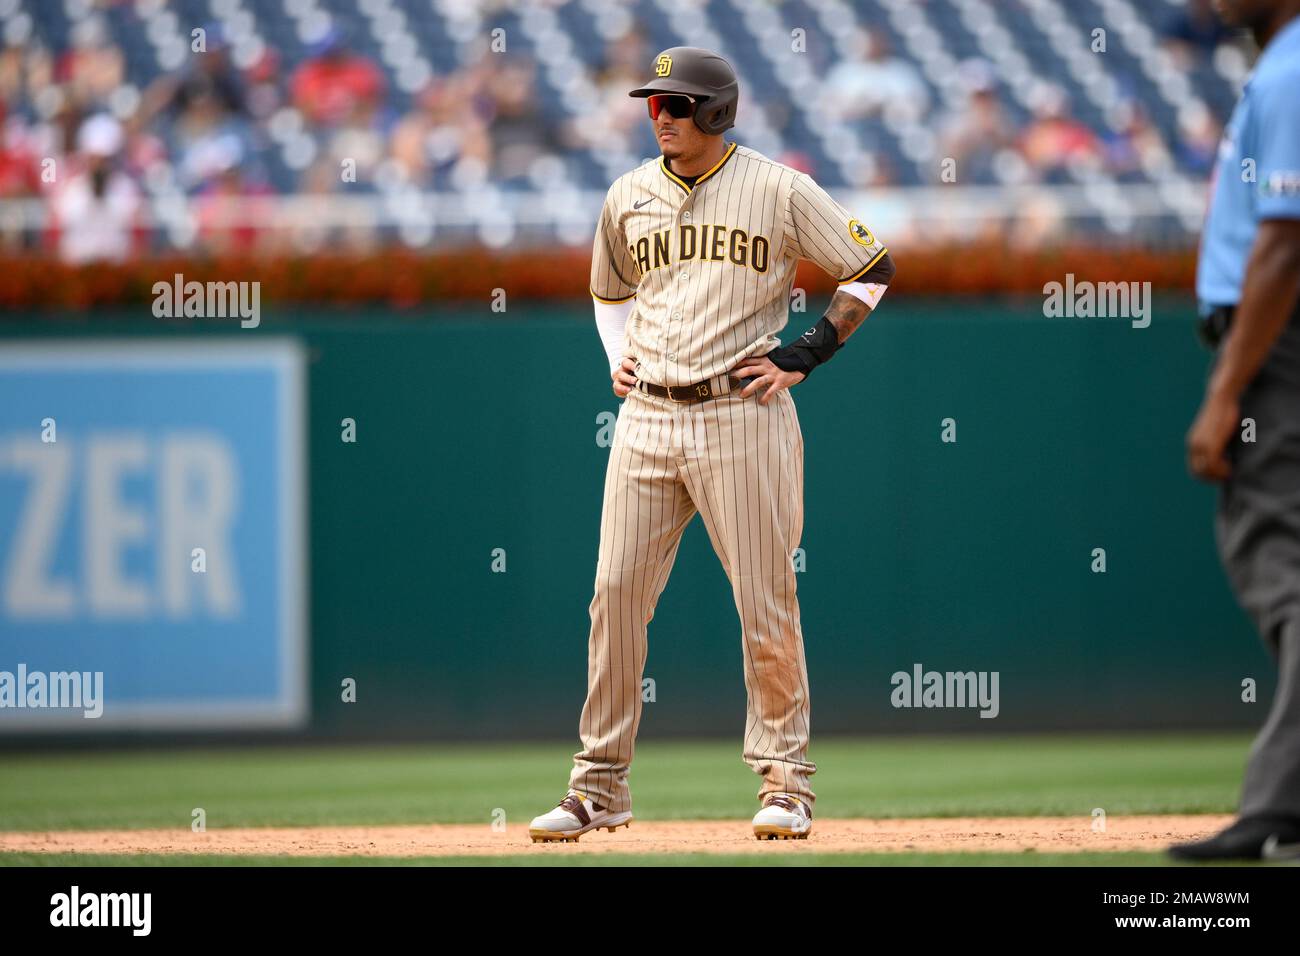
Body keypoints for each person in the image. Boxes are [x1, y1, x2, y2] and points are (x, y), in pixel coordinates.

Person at [529, 47, 895, 843]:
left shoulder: (779, 187)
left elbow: (871, 265)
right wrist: (614, 356)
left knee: (764, 600)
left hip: (741, 411)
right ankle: (599, 787)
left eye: (678, 103)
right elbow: (607, 291)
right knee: (615, 596)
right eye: (654, 103)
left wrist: (808, 351)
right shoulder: (628, 194)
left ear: (718, 111)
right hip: (648, 418)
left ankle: (787, 783)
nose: (661, 115)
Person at [1173, 0, 1300, 861]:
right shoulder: (1279, 63)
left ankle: (1278, 803)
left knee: (1279, 558)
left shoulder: (1292, 67)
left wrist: (1226, 392)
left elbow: (1286, 242)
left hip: (1278, 343)